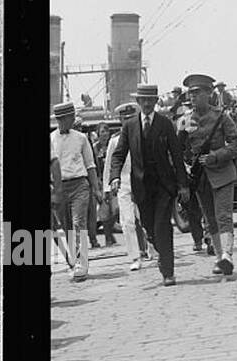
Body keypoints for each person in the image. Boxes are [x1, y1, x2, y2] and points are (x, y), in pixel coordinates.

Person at [108, 84, 190, 286]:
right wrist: (115, 176)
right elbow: (119, 154)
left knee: (162, 225)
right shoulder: (129, 126)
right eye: (143, 100)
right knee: (148, 227)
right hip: (141, 187)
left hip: (164, 185)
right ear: (138, 102)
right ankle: (161, 251)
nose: (146, 103)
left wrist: (183, 185)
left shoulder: (165, 124)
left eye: (150, 100)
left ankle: (168, 272)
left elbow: (177, 156)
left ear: (155, 102)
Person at [178, 73, 237, 276]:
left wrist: (215, 156)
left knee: (224, 216)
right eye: (190, 93)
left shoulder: (221, 116)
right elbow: (178, 150)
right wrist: (186, 165)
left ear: (209, 93)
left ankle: (227, 255)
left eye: (197, 93)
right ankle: (218, 258)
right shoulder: (184, 121)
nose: (192, 97)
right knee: (210, 219)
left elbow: (236, 143)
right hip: (200, 177)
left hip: (222, 173)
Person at [50, 101, 105, 282]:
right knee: (66, 227)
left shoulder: (81, 138)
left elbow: (90, 165)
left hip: (80, 185)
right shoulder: (51, 139)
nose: (68, 121)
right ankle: (73, 262)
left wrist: (96, 189)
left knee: (78, 223)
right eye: (64, 118)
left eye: (70, 117)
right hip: (60, 187)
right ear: (60, 119)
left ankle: (82, 264)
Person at [103, 102, 153, 271]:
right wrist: (107, 188)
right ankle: (135, 256)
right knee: (127, 221)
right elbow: (110, 164)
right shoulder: (115, 140)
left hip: (142, 181)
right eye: (124, 119)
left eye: (131, 118)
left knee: (146, 218)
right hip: (124, 183)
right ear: (120, 120)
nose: (127, 122)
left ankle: (153, 248)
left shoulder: (143, 135)